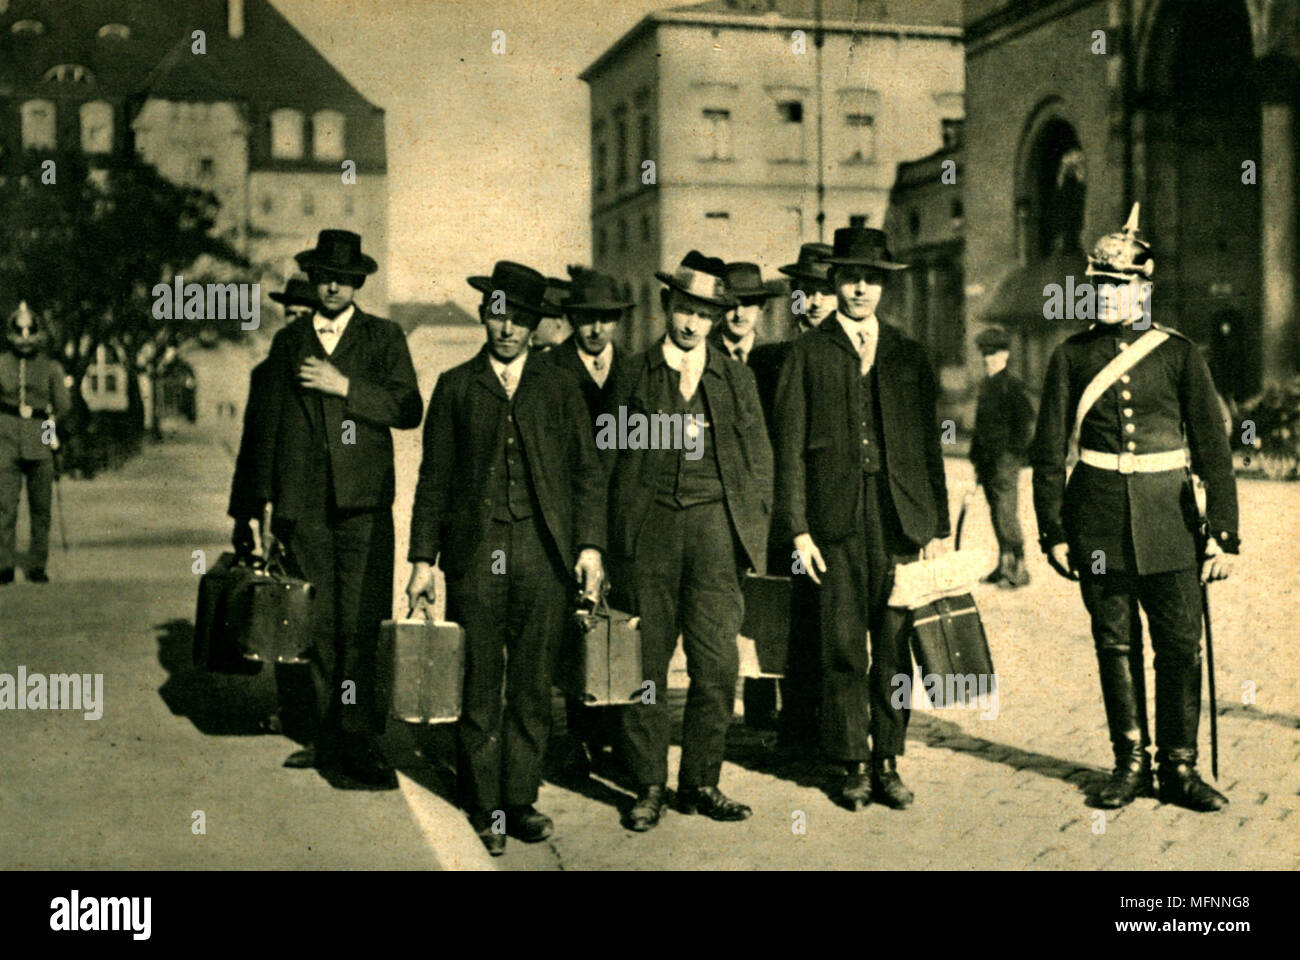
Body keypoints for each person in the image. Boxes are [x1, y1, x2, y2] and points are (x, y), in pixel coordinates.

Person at [1030, 204, 1238, 812]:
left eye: (1120, 285)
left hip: (1172, 523)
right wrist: (1054, 532)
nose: (1107, 295)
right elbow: (1047, 454)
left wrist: (1222, 535)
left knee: (1179, 648)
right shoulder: (1070, 357)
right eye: (1098, 285)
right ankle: (1129, 762)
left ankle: (1179, 767)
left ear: (1144, 289)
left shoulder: (1179, 354)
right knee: (1114, 645)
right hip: (1096, 525)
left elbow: (1214, 452)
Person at [406, 260, 606, 856]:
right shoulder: (456, 385)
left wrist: (590, 546)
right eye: (499, 315)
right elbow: (433, 480)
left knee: (531, 683)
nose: (508, 329)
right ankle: (483, 804)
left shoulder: (559, 385)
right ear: (484, 314)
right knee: (479, 682)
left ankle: (519, 799)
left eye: (520, 319)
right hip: (476, 555)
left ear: (534, 325)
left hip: (544, 556)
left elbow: (587, 473)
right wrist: (423, 559)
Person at [773, 226, 951, 811]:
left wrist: (935, 530)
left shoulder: (907, 351)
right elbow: (790, 449)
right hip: (835, 524)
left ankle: (889, 760)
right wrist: (799, 529)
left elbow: (929, 447)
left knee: (895, 645)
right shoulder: (809, 352)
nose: (860, 289)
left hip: (899, 520)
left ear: (884, 286)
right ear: (834, 282)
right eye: (850, 278)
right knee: (843, 646)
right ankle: (851, 762)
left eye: (872, 279)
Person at [606, 250, 772, 832]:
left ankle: (701, 781)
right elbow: (603, 464)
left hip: (713, 532)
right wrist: (600, 544)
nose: (691, 323)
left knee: (717, 664)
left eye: (703, 313)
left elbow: (759, 464)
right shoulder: (631, 373)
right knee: (645, 666)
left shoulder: (736, 378)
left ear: (716, 318)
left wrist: (748, 537)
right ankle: (648, 784)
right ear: (667, 306)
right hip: (647, 532)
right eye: (683, 309)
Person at [251, 229, 423, 788]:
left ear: (358, 283)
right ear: (314, 278)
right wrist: (262, 506)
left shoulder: (383, 337)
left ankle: (362, 740)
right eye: (324, 276)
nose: (332, 286)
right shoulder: (289, 342)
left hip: (364, 507)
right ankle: (327, 737)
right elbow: (269, 426)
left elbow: (407, 408)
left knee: (362, 625)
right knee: (318, 627)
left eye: (344, 278)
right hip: (306, 509)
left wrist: (343, 385)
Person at [541, 268, 632, 774]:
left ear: (617, 322)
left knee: (620, 624)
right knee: (575, 621)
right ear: (571, 320)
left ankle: (616, 736)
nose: (596, 330)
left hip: (624, 518)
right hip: (569, 516)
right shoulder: (548, 369)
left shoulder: (635, 371)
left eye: (605, 320)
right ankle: (577, 736)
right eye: (585, 320)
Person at [748, 242, 834, 751]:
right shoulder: (768, 361)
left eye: (825, 290)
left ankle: (834, 727)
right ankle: (795, 727)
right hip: (786, 514)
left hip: (838, 514)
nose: (815, 301)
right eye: (806, 291)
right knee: (790, 623)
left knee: (839, 626)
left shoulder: (855, 359)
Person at [228, 275, 319, 737]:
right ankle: (295, 709)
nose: (297, 324)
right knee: (286, 608)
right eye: (292, 315)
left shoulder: (324, 375)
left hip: (322, 507)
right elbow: (252, 447)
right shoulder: (265, 374)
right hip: (277, 508)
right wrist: (243, 512)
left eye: (306, 316)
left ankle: (324, 714)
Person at [0, 301, 72, 584]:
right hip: (4, 439)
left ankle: (37, 565)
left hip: (41, 436)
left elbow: (63, 406)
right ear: (10, 333)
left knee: (41, 508)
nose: (25, 337)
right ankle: (3, 564)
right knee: (5, 506)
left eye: (31, 331)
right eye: (20, 331)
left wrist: (51, 430)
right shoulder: (1, 363)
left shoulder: (51, 367)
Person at [969, 325, 1035, 588]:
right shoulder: (986, 385)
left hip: (1004, 462)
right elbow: (980, 426)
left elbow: (1027, 425)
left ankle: (1018, 568)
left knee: (1006, 513)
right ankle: (1003, 564)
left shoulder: (1013, 386)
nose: (988, 358)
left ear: (1006, 355)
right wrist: (976, 458)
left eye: (994, 353)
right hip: (987, 461)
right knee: (997, 513)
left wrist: (1011, 456)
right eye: (985, 353)